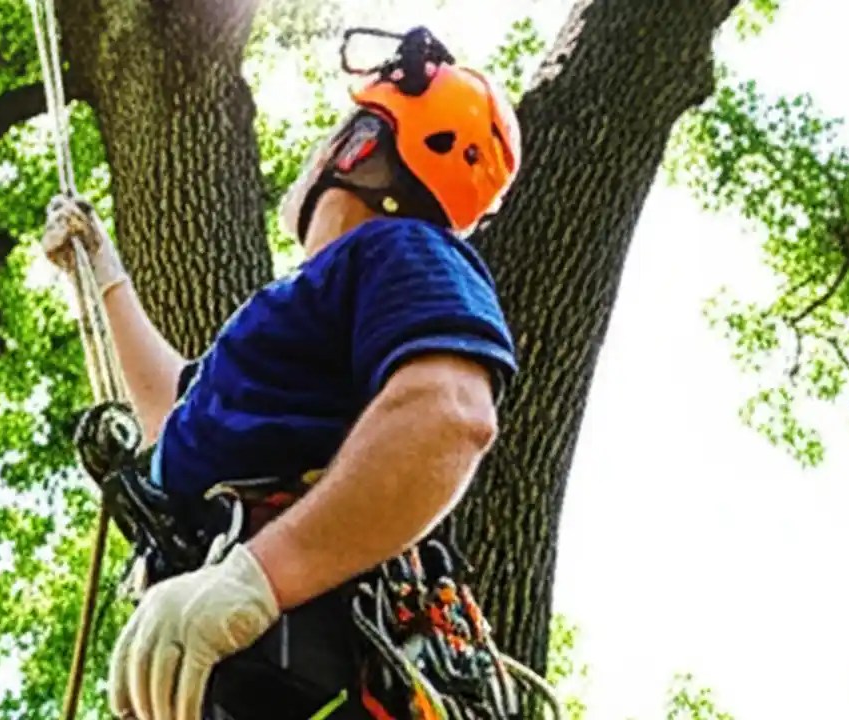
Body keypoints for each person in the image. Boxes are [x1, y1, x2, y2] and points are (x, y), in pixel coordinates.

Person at [42, 27, 522, 720]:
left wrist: (259, 579)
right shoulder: (296, 313)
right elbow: (178, 418)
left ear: (359, 148)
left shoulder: (399, 248)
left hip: (302, 656)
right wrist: (104, 275)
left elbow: (448, 412)